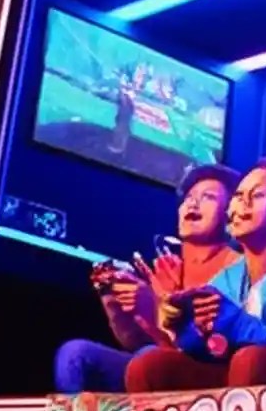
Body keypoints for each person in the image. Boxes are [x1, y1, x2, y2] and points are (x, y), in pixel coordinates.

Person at [125, 160, 266, 391]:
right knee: (150, 365)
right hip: (230, 380)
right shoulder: (230, 277)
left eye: (258, 195)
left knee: (251, 360)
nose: (243, 203)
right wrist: (186, 324)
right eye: (239, 195)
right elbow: (203, 348)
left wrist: (233, 321)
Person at [52, 164, 241, 392]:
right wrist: (118, 310)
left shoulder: (236, 269)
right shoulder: (166, 266)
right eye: (189, 197)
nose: (193, 203)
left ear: (229, 215)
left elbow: (201, 351)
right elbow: (136, 342)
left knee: (148, 358)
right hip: (150, 369)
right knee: (75, 355)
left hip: (203, 381)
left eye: (208, 197)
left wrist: (153, 308)